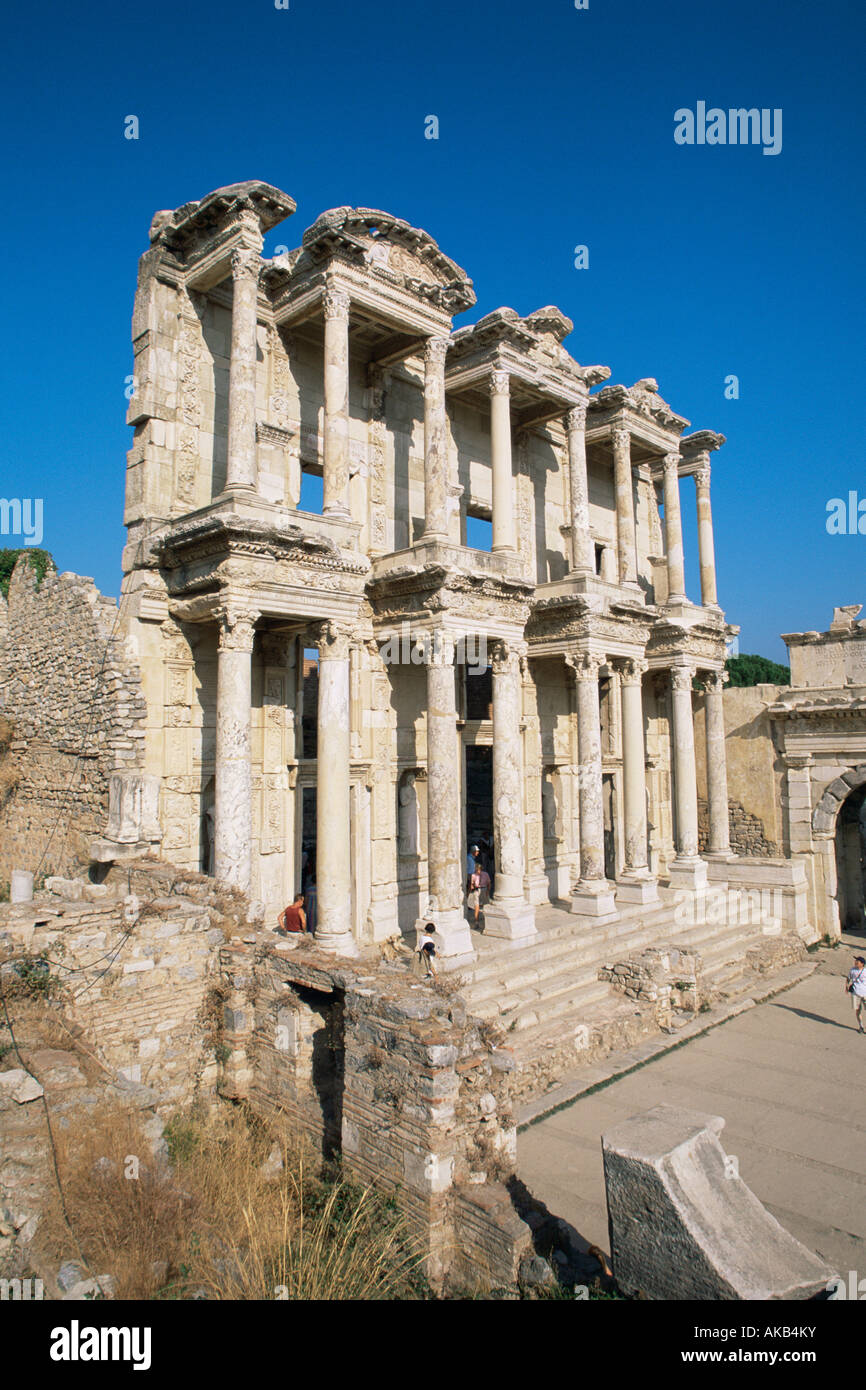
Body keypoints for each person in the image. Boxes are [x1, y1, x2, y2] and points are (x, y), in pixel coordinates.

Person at [467, 861, 492, 927]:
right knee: (476, 906)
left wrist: (488, 891)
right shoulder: (474, 875)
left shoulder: (485, 874)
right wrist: (470, 890)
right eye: (477, 869)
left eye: (478, 869)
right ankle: (476, 921)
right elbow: (471, 885)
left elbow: (489, 883)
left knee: (485, 905)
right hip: (477, 890)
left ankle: (487, 920)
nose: (477, 871)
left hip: (484, 889)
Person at [846, 954, 866, 1032]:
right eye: (855, 960)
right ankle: (861, 1026)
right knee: (857, 1011)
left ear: (862, 963)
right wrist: (846, 986)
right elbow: (848, 978)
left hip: (865, 993)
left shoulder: (865, 971)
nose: (856, 962)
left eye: (857, 961)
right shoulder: (852, 970)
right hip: (855, 993)